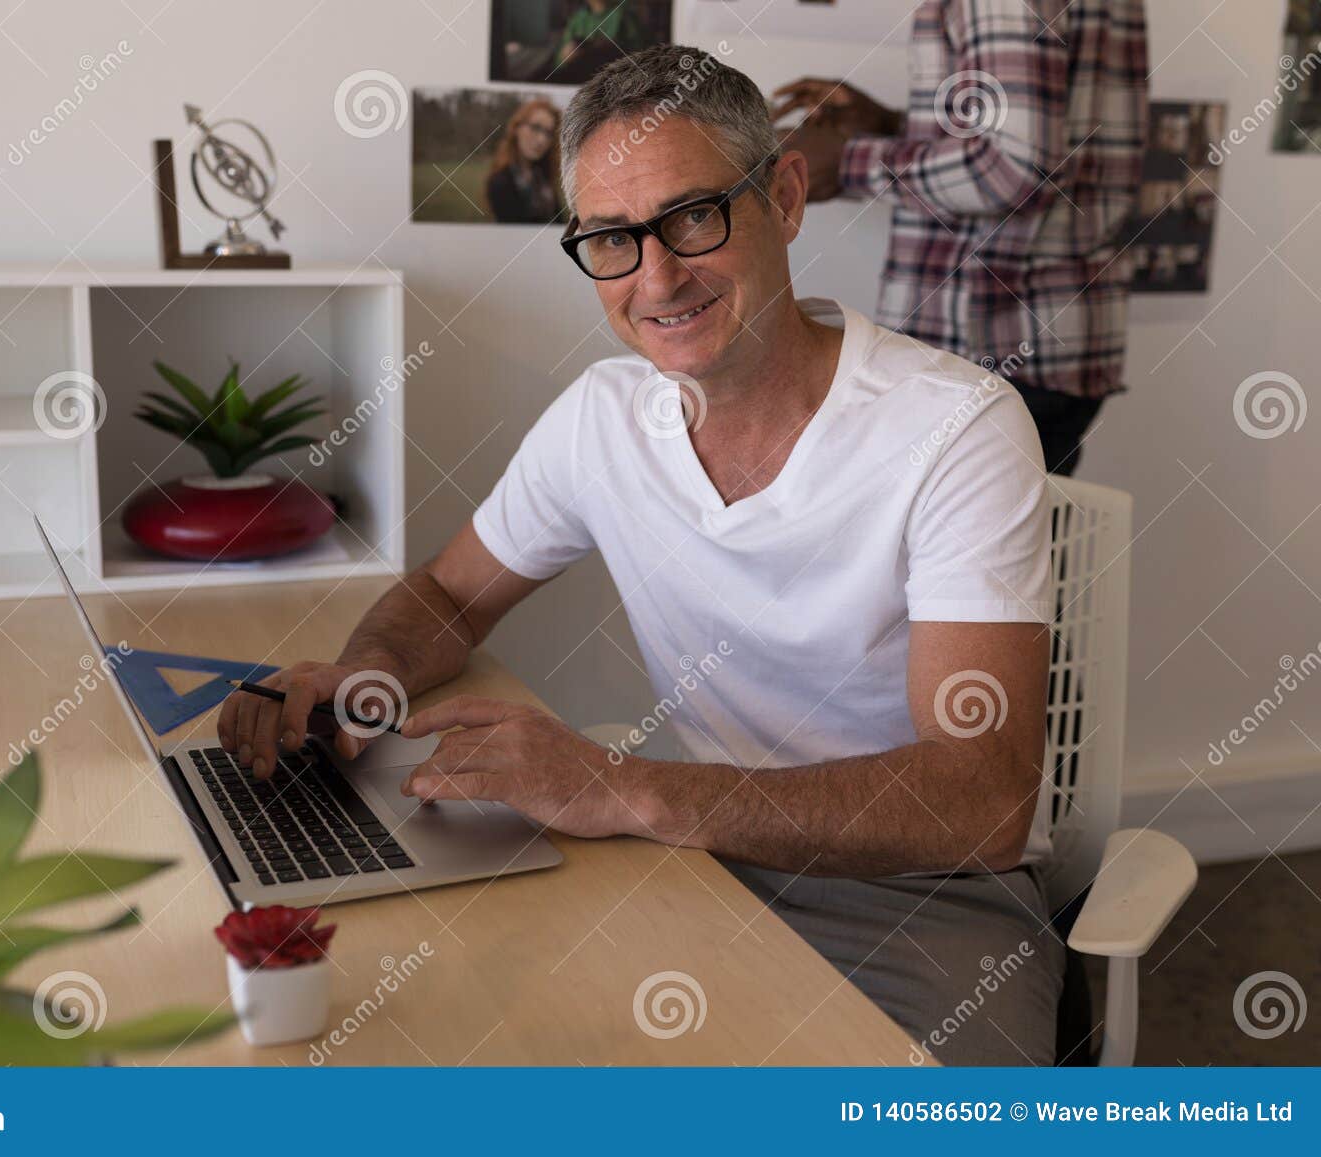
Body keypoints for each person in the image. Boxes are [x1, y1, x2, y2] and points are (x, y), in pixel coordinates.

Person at [221, 46, 1063, 1065]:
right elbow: (448, 592)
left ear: (785, 197)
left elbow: (981, 800)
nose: (656, 277)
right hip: (688, 864)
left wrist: (627, 788)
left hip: (919, 903)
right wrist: (363, 678)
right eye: (612, 239)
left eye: (693, 217)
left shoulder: (956, 426)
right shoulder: (601, 416)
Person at [773, 0, 1148, 475]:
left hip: (990, 346)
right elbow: (1048, 138)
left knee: (956, 545)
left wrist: (850, 161)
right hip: (1044, 339)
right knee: (1019, 542)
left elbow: (1014, 168)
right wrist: (897, 125)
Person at [485, 98, 564, 224]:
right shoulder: (500, 182)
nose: (541, 140)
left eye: (548, 133)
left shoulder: (544, 179)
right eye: (536, 127)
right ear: (517, 128)